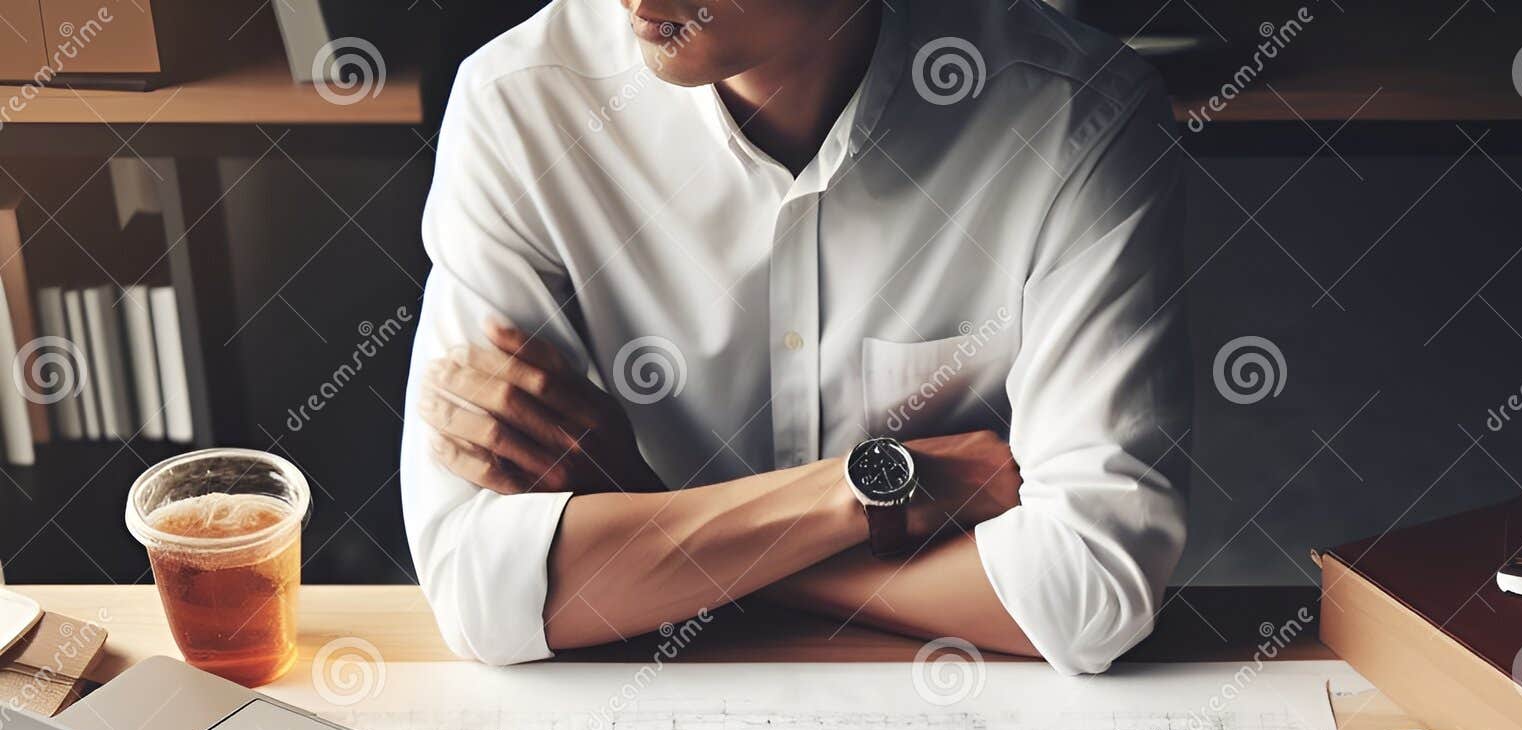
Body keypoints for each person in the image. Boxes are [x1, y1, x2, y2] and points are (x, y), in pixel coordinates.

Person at [404, 0, 1190, 670]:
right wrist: (876, 494)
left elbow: (1091, 590)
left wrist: (643, 520)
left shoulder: (1075, 112)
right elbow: (479, 584)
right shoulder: (519, 104)